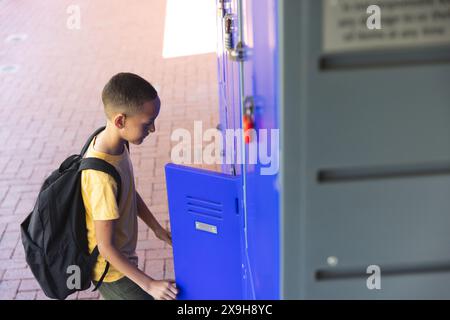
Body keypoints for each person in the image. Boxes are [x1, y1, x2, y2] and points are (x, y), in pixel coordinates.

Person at [81, 72, 178, 300]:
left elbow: (126, 191)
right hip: (113, 273)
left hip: (123, 262)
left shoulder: (117, 144)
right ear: (120, 121)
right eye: (147, 123)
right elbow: (106, 248)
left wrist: (156, 229)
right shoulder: (100, 177)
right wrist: (150, 284)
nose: (152, 129)